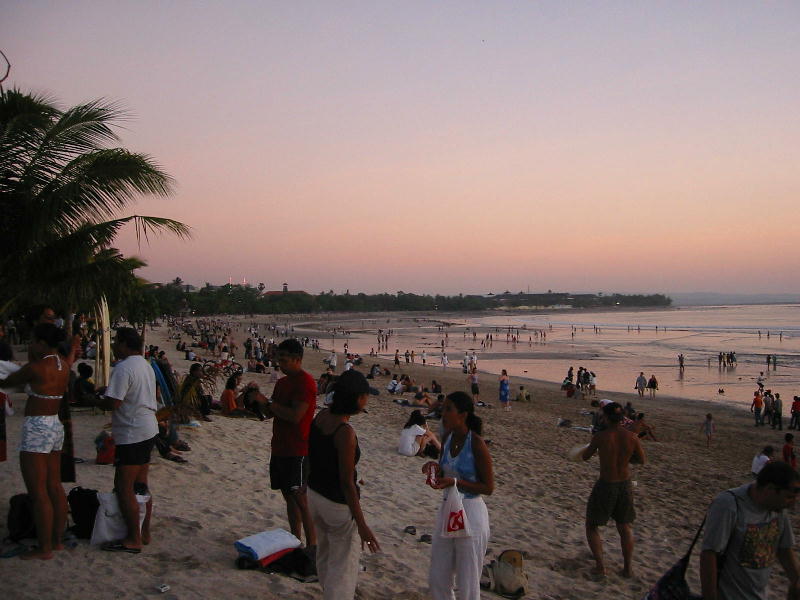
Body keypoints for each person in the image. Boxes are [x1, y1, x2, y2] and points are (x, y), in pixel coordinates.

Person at [0, 323, 71, 560]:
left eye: (33, 341)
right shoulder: (64, 365)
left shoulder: (37, 368)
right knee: (54, 485)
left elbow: (7, 382)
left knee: (37, 490)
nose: (31, 345)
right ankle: (57, 541)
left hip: (37, 426)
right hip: (55, 424)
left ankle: (44, 548)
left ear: (42, 343)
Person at [307, 369, 379, 599]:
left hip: (314, 495)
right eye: (365, 396)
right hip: (336, 504)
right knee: (343, 568)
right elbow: (347, 483)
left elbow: (311, 456)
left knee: (326, 555)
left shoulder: (321, 416)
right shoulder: (344, 432)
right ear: (358, 398)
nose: (366, 400)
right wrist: (362, 524)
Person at [424, 391, 494, 599]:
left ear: (462, 415)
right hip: (448, 508)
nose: (443, 413)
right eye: (442, 408)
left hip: (471, 512)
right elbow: (446, 470)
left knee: (468, 579)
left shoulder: (476, 444)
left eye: (448, 409)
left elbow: (488, 487)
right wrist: (434, 469)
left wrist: (456, 482)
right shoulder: (447, 438)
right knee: (438, 573)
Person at [700, 461, 800, 600]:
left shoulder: (778, 509)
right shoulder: (729, 505)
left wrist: (797, 581)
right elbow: (709, 555)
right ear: (769, 489)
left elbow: (784, 549)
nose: (792, 504)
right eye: (789, 497)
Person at [98, 327, 158, 553]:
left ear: (124, 344)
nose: (113, 345)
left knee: (124, 487)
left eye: (115, 341)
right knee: (141, 485)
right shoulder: (145, 364)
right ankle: (145, 531)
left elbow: (113, 404)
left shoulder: (123, 368)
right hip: (148, 428)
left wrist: (97, 401)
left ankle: (133, 538)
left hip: (132, 432)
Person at [261, 339, 318, 551]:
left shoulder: (306, 383)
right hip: (280, 446)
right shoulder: (282, 383)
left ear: (297, 360)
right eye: (279, 360)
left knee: (300, 498)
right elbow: (269, 413)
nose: (280, 364)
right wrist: (256, 401)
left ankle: (312, 546)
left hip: (299, 448)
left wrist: (268, 404)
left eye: (284, 360)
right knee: (288, 497)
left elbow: (295, 416)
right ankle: (296, 540)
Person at [582, 401, 646, 577]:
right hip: (625, 484)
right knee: (624, 526)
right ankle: (627, 568)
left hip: (606, 483)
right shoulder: (632, 437)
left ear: (607, 417)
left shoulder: (601, 437)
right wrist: (625, 459)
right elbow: (641, 460)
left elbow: (586, 456)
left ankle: (600, 567)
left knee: (592, 525)